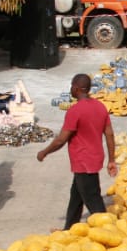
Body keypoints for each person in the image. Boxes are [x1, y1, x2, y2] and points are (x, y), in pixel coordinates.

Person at [37, 74, 118, 228]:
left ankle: (109, 231)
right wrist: (111, 160)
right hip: (94, 159)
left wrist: (44, 152)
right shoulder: (100, 107)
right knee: (76, 196)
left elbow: (61, 139)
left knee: (94, 202)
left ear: (76, 88)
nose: (70, 89)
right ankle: (69, 229)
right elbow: (109, 134)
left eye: (72, 86)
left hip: (83, 162)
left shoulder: (75, 111)